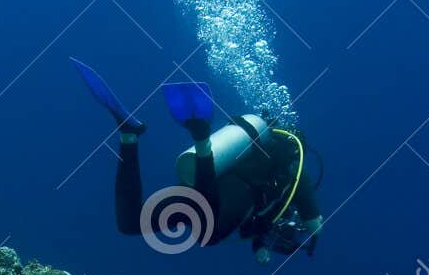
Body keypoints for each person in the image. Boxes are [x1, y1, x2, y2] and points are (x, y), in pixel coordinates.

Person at [73, 58, 323, 261]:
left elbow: (259, 227)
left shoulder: (250, 148)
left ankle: (130, 135)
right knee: (208, 231)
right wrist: (312, 223)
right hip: (213, 203)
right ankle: (201, 141)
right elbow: (315, 226)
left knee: (130, 222)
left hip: (198, 185)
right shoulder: (293, 165)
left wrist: (261, 244)